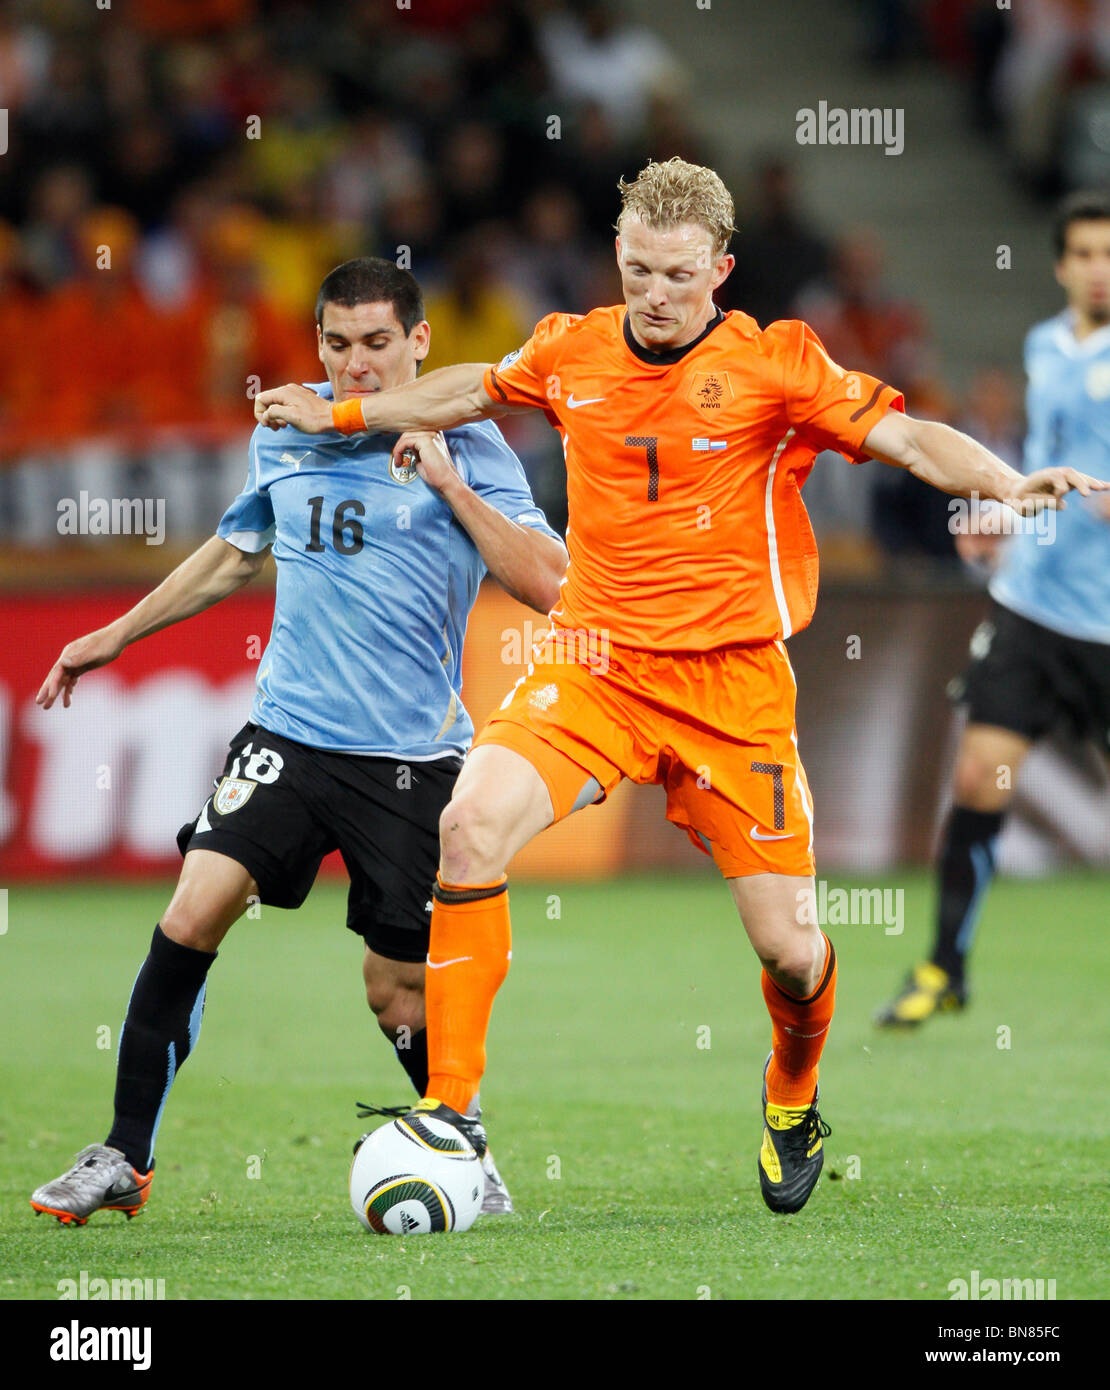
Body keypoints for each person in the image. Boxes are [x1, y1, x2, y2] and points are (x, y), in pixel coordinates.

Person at [256, 159, 1104, 1215]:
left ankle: (792, 1094)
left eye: (678, 276)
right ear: (619, 257)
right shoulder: (572, 346)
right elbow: (468, 386)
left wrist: (1004, 479)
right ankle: (455, 1113)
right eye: (640, 270)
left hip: (731, 685)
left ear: (722, 271)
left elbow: (906, 436)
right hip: (595, 662)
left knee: (792, 953)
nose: (655, 295)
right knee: (468, 829)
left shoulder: (776, 363)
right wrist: (339, 417)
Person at [29, 256, 567, 1225]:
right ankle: (123, 1155)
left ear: (418, 342)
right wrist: (114, 633)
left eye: (374, 343)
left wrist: (447, 477)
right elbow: (237, 552)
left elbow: (547, 581)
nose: (353, 364)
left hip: (410, 758)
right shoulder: (286, 431)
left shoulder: (471, 437)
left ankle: (466, 1139)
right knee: (194, 910)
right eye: (336, 343)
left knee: (398, 993)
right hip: (288, 734)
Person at [876, 190, 1110, 1028]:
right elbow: (1044, 466)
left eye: (1109, 254)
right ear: (1060, 265)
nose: (1097, 269)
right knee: (978, 780)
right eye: (1083, 253)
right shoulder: (1045, 346)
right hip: (1031, 610)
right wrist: (1005, 522)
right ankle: (944, 970)